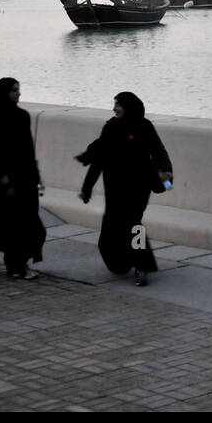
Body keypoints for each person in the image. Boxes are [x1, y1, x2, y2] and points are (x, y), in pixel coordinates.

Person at [76, 91, 172, 286]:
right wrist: (87, 188)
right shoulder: (111, 127)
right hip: (115, 187)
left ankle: (140, 266)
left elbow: (159, 152)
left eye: (118, 104)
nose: (114, 108)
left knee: (133, 224)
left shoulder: (145, 127)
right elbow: (99, 159)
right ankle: (123, 262)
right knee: (112, 227)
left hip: (139, 187)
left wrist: (166, 175)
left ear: (129, 106)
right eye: (114, 104)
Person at [0, 77, 47, 279]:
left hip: (23, 178)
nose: (18, 93)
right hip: (4, 179)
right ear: (3, 93)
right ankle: (16, 266)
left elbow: (28, 149)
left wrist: (36, 177)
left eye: (19, 90)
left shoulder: (22, 116)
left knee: (20, 224)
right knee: (18, 225)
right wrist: (5, 181)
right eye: (14, 90)